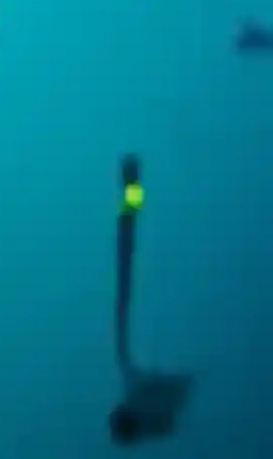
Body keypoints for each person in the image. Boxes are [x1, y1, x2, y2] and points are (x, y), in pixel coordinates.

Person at [108, 154, 193, 446]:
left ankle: (133, 184)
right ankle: (132, 184)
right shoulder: (135, 376)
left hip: (141, 260)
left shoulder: (132, 374)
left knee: (128, 228)